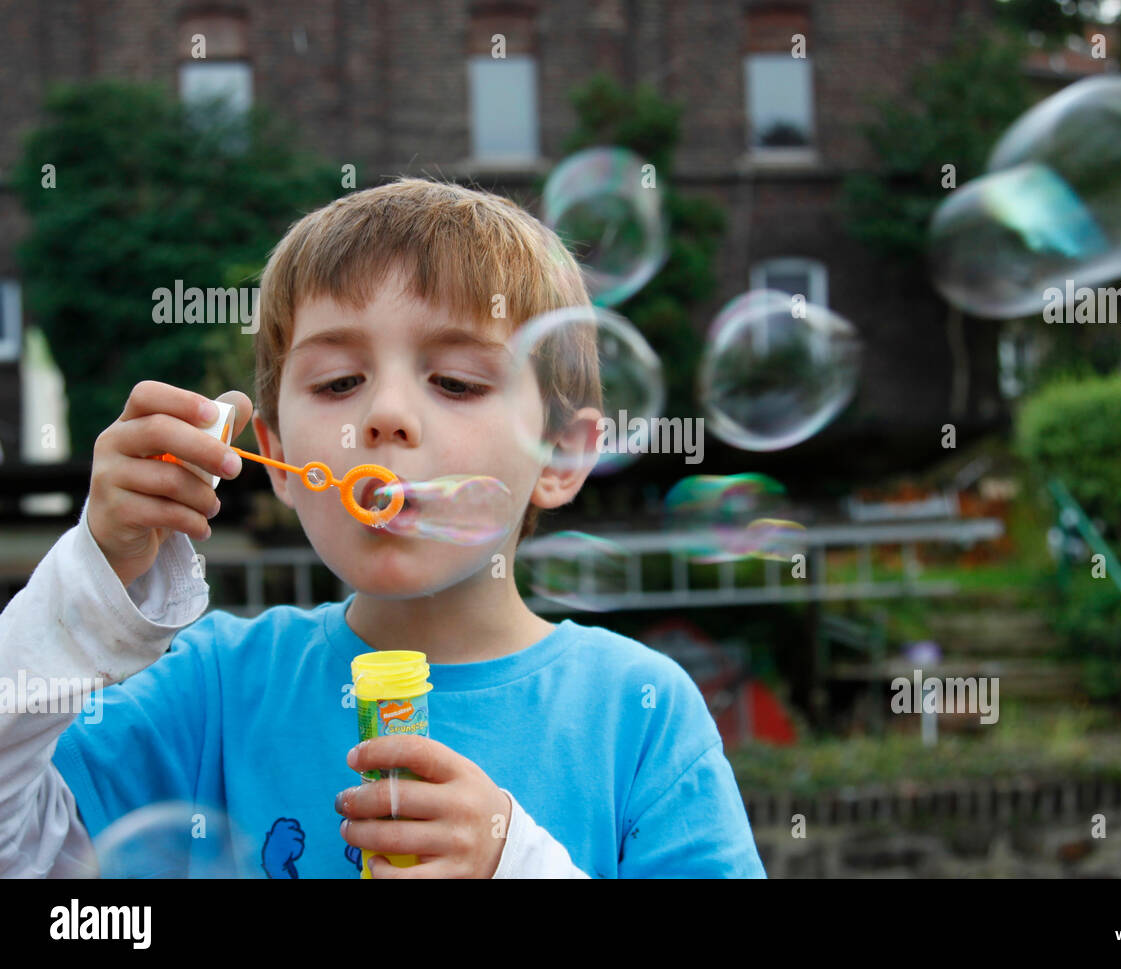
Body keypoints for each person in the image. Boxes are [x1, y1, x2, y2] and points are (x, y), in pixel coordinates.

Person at [0, 178, 766, 878]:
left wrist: (516, 861)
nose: (386, 416)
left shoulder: (638, 712)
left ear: (560, 452)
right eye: (338, 382)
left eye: (456, 381)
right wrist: (94, 583)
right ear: (274, 453)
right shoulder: (215, 693)